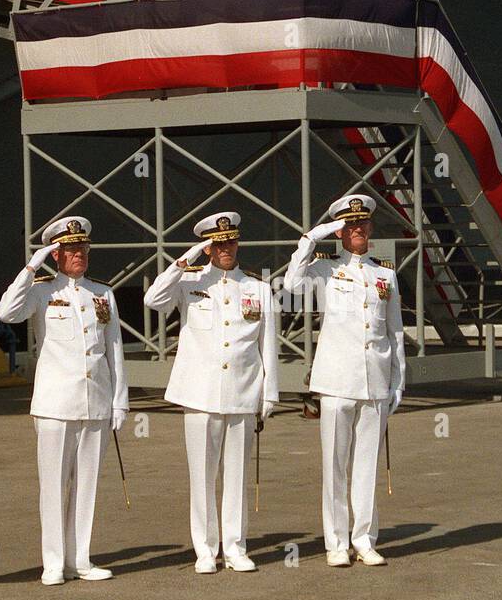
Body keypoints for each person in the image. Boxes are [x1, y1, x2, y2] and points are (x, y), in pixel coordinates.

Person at [0, 216, 128, 586]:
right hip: (55, 403)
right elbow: (6, 312)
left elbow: (113, 350)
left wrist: (119, 402)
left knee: (87, 483)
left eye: (82, 249)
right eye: (69, 250)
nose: (78, 255)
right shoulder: (41, 291)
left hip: (96, 401)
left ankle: (80, 558)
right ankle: (53, 561)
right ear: (56, 255)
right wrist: (31, 266)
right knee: (53, 483)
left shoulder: (102, 293)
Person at [143, 212, 278, 574]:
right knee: (202, 476)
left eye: (231, 241)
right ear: (208, 247)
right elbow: (153, 300)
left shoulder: (257, 288)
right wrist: (185, 260)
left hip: (243, 391)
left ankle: (235, 546)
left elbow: (268, 345)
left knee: (236, 475)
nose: (226, 248)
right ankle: (205, 548)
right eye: (218, 243)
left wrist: (270, 395)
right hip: (200, 394)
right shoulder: (189, 282)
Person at [285, 195, 404, 567]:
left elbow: (395, 332)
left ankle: (365, 538)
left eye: (362, 224)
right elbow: (290, 285)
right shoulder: (325, 269)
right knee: (335, 465)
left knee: (366, 464)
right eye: (349, 225)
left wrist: (398, 380)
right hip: (337, 379)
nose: (357, 230)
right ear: (340, 231)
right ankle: (336, 542)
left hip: (376, 380)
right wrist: (314, 236)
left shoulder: (385, 274)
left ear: (370, 227)